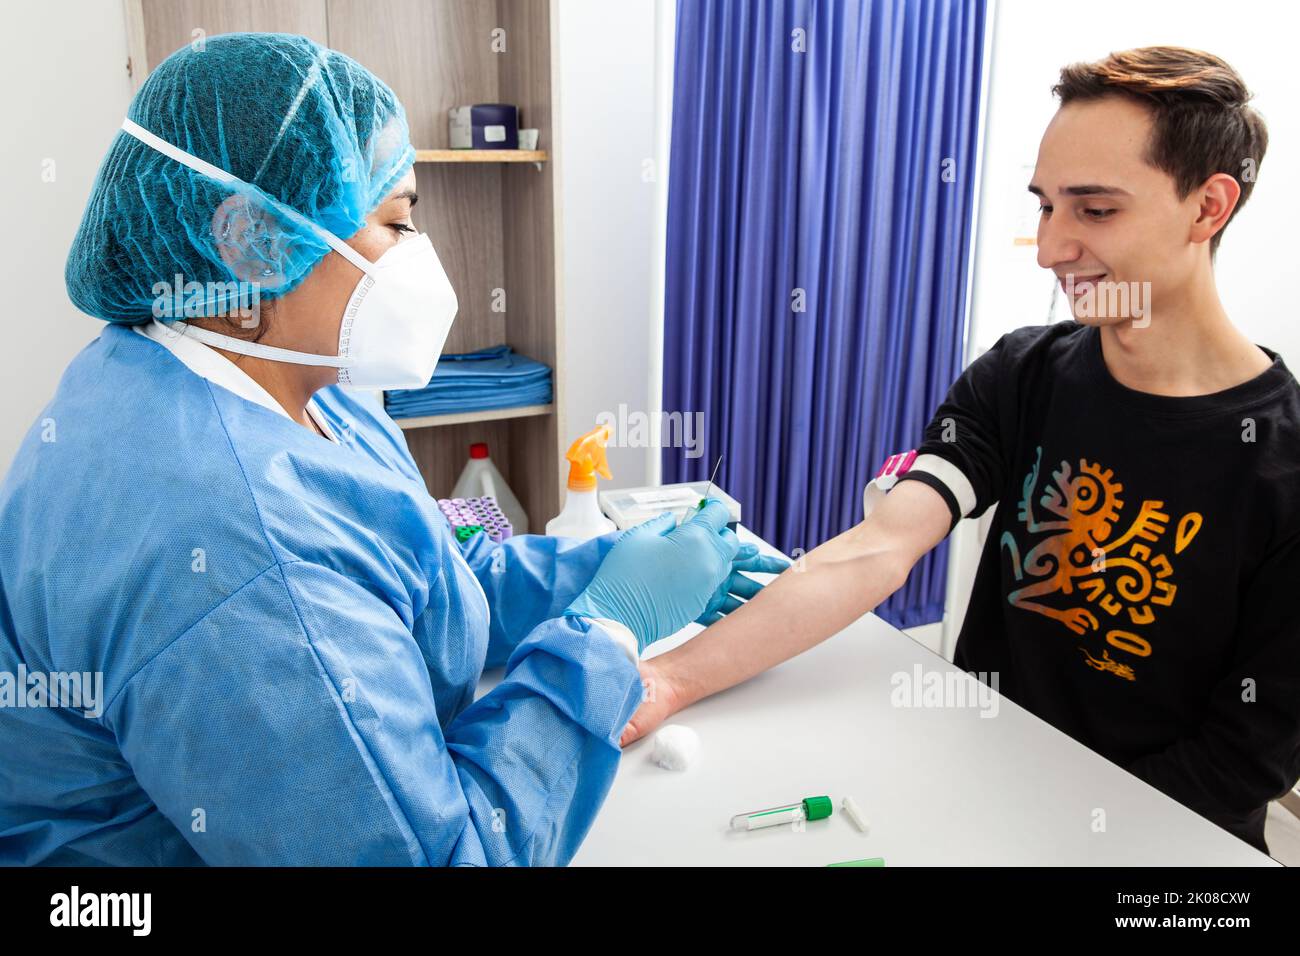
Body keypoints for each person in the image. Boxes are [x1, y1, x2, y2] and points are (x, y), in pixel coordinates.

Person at [0, 33, 783, 866]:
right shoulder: (232, 550)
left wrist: (603, 568)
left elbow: (421, 578)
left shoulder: (272, 380)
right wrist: (610, 630)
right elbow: (437, 857)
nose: (418, 256)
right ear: (249, 242)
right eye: (395, 220)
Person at [626, 47, 1300, 855]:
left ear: (1209, 206)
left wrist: (1053, 842)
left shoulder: (1281, 466)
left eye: (1094, 211)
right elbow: (878, 547)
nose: (1050, 249)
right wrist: (668, 680)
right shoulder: (1026, 375)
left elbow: (1238, 761)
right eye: (1046, 206)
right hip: (987, 787)